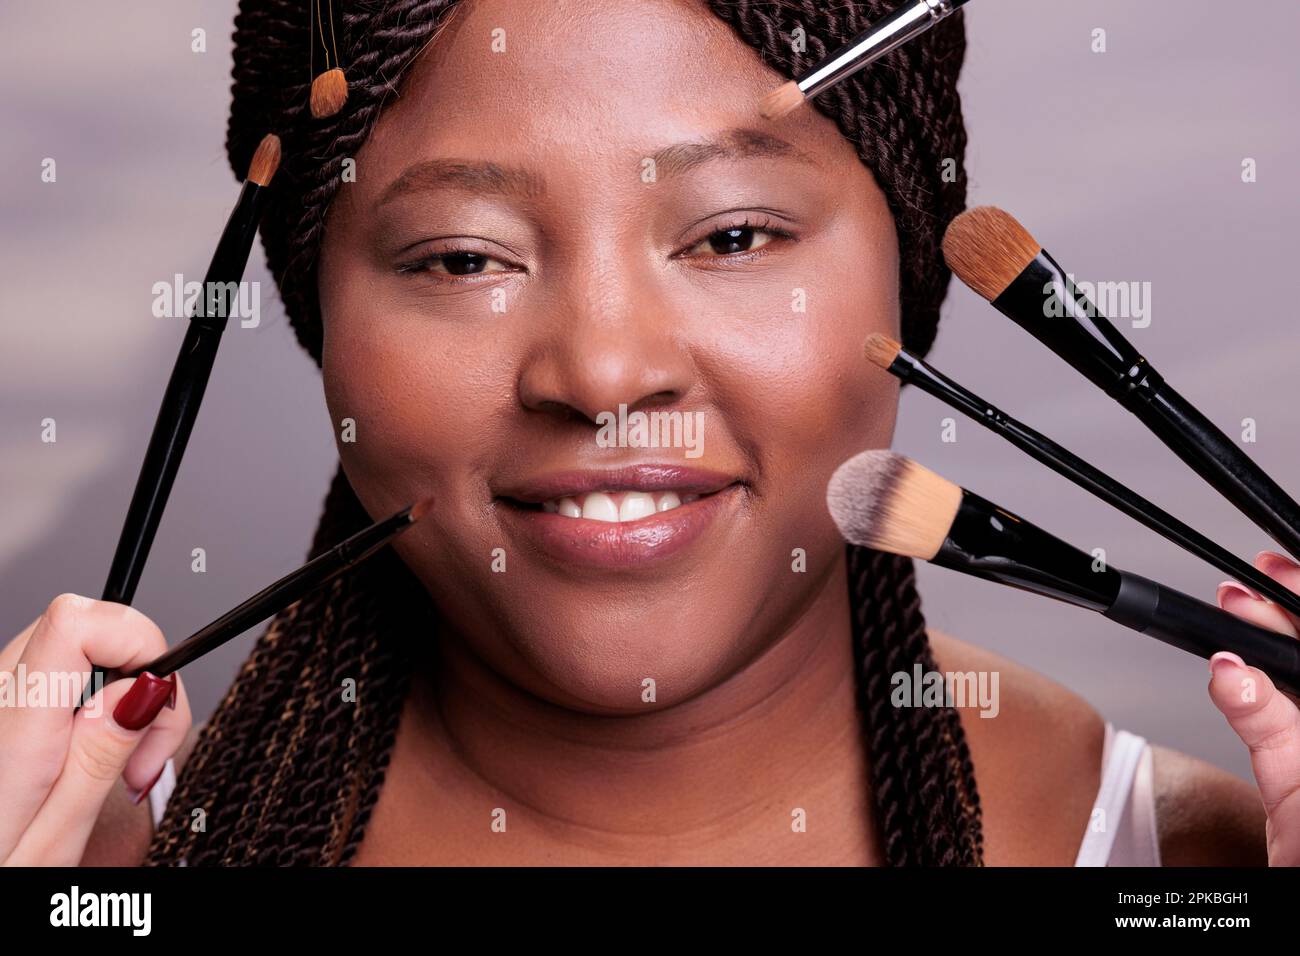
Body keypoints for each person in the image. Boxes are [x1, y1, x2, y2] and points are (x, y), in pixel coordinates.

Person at [1, 0, 1280, 867]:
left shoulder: (1201, 863)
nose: (604, 370)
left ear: (909, 281)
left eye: (731, 236)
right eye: (460, 256)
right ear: (318, 310)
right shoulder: (94, 859)